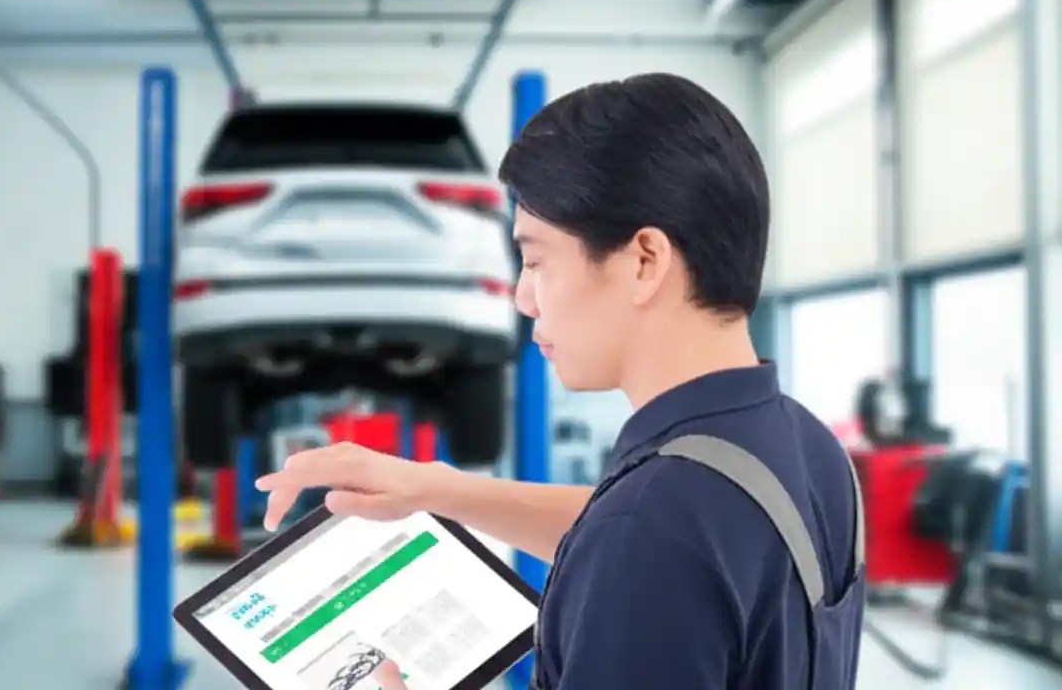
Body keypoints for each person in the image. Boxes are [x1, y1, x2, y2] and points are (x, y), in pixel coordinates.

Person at [255, 73, 865, 689]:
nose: (522, 298)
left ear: (644, 262)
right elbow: (644, 540)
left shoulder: (651, 529)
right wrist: (432, 488)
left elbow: (637, 542)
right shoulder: (806, 450)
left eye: (538, 260)